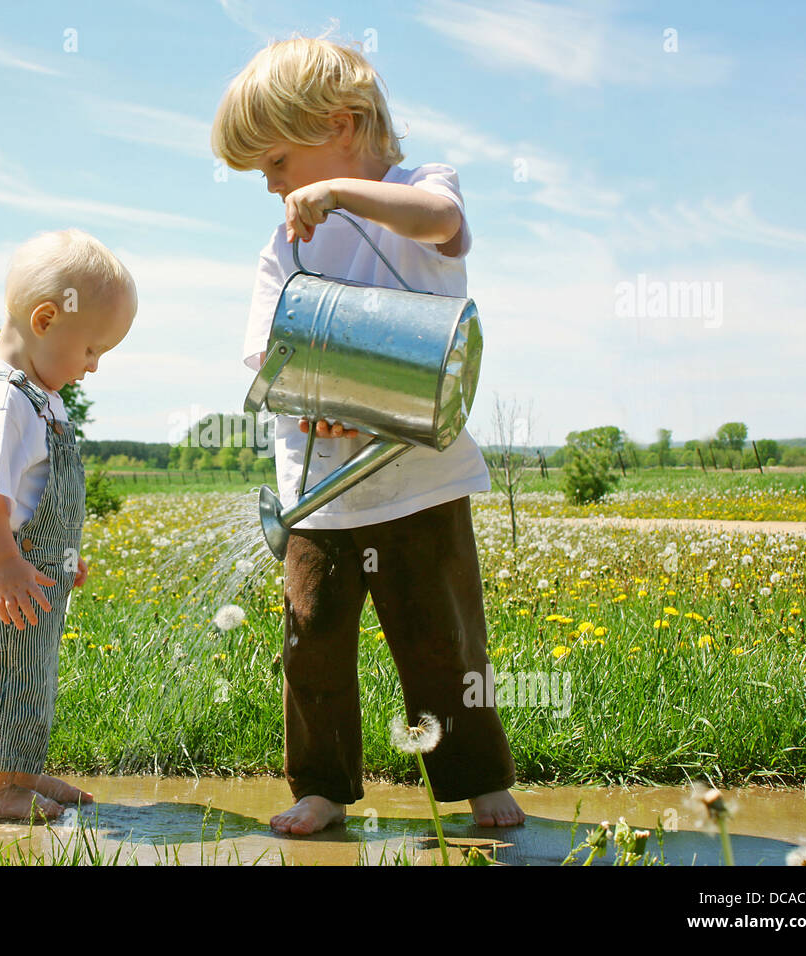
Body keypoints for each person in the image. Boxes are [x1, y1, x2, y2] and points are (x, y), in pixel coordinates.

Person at [211, 35, 526, 834]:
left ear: (342, 123)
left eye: (277, 162)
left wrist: (345, 195)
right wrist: (309, 393)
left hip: (421, 476)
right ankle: (321, 786)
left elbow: (442, 224)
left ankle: (478, 778)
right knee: (311, 644)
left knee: (442, 642)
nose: (272, 186)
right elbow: (263, 348)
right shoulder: (284, 241)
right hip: (318, 489)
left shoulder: (422, 188)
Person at [0, 228, 136, 822]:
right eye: (92, 349)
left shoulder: (37, 397)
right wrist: (3, 563)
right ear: (47, 319)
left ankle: (21, 772)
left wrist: (59, 553)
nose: (94, 367)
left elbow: (35, 492)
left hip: (26, 572)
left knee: (27, 678)